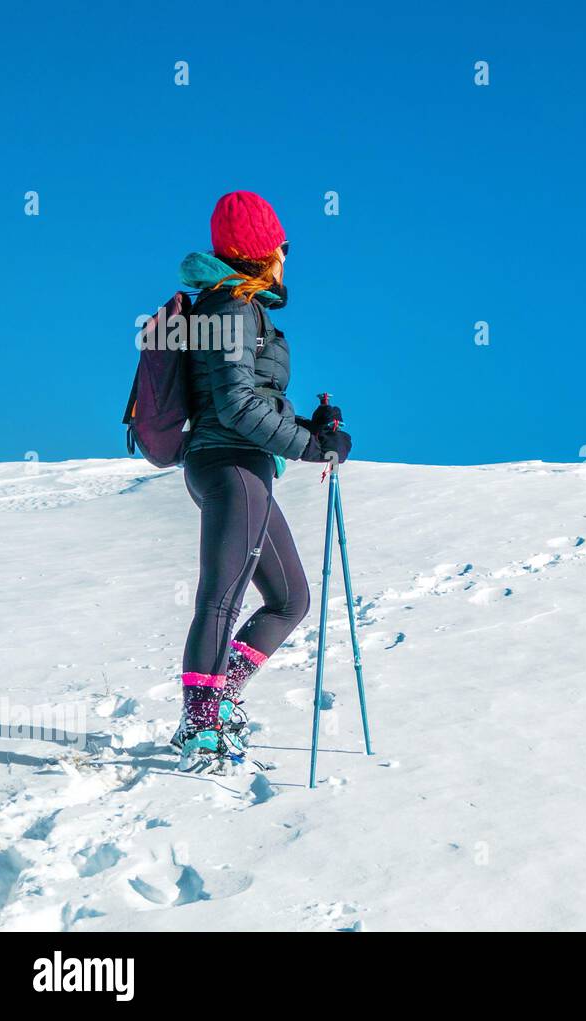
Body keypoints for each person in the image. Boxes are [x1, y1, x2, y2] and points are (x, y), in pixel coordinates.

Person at [172, 191, 353, 773]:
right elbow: (235, 407)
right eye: (280, 242)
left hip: (241, 465)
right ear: (263, 248)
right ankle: (200, 724)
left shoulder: (237, 308)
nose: (285, 252)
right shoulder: (229, 307)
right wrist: (306, 446)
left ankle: (218, 697)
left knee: (289, 599)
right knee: (221, 596)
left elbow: (250, 398)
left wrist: (313, 429)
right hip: (228, 465)